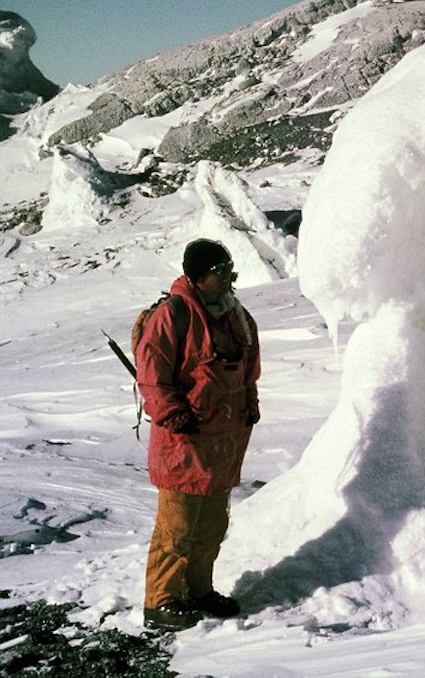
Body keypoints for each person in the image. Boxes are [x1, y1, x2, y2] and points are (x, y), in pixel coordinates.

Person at [135, 238, 261, 631]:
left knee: (211, 526)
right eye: (221, 273)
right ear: (199, 276)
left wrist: (250, 402)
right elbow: (152, 376)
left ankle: (198, 590)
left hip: (223, 444)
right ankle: (161, 601)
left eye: (231, 272)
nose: (229, 280)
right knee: (177, 528)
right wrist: (173, 415)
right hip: (184, 444)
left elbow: (248, 371)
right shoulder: (173, 315)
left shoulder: (237, 316)